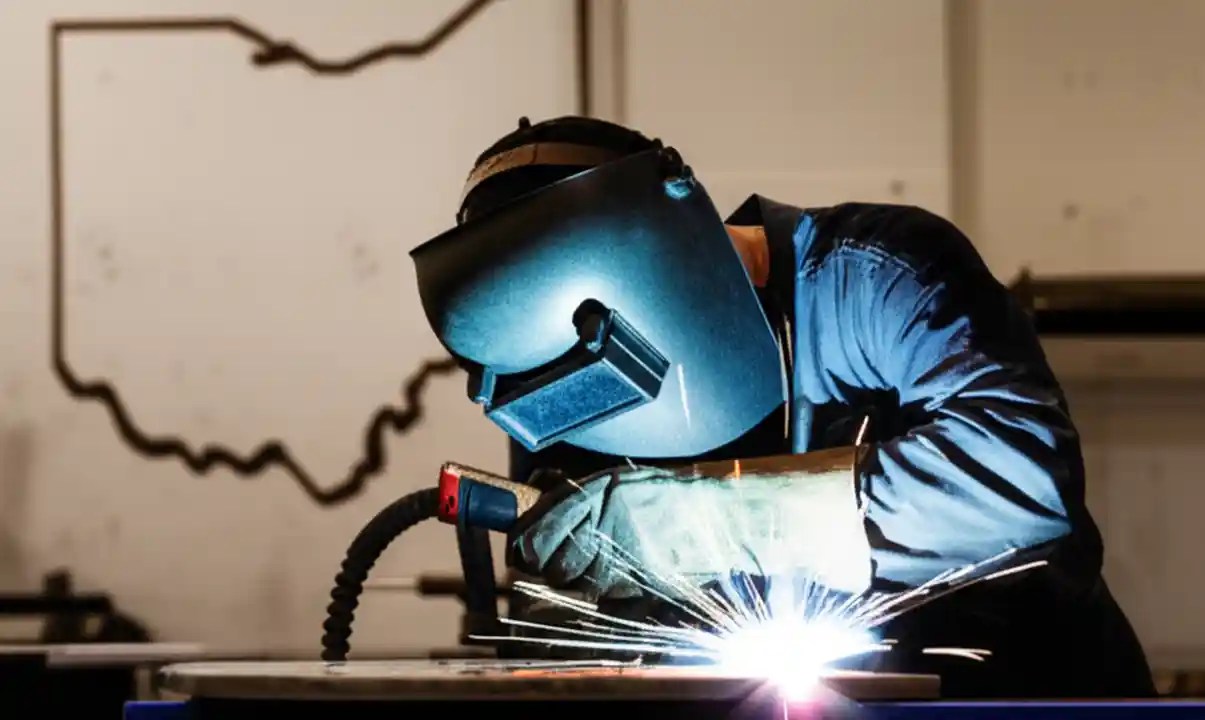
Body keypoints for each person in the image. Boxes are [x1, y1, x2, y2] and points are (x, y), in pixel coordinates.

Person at [440, 116, 1155, 698]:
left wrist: (695, 524)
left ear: (663, 262)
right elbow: (570, 644)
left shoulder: (878, 276)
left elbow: (1024, 485)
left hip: (1029, 696)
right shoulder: (560, 394)